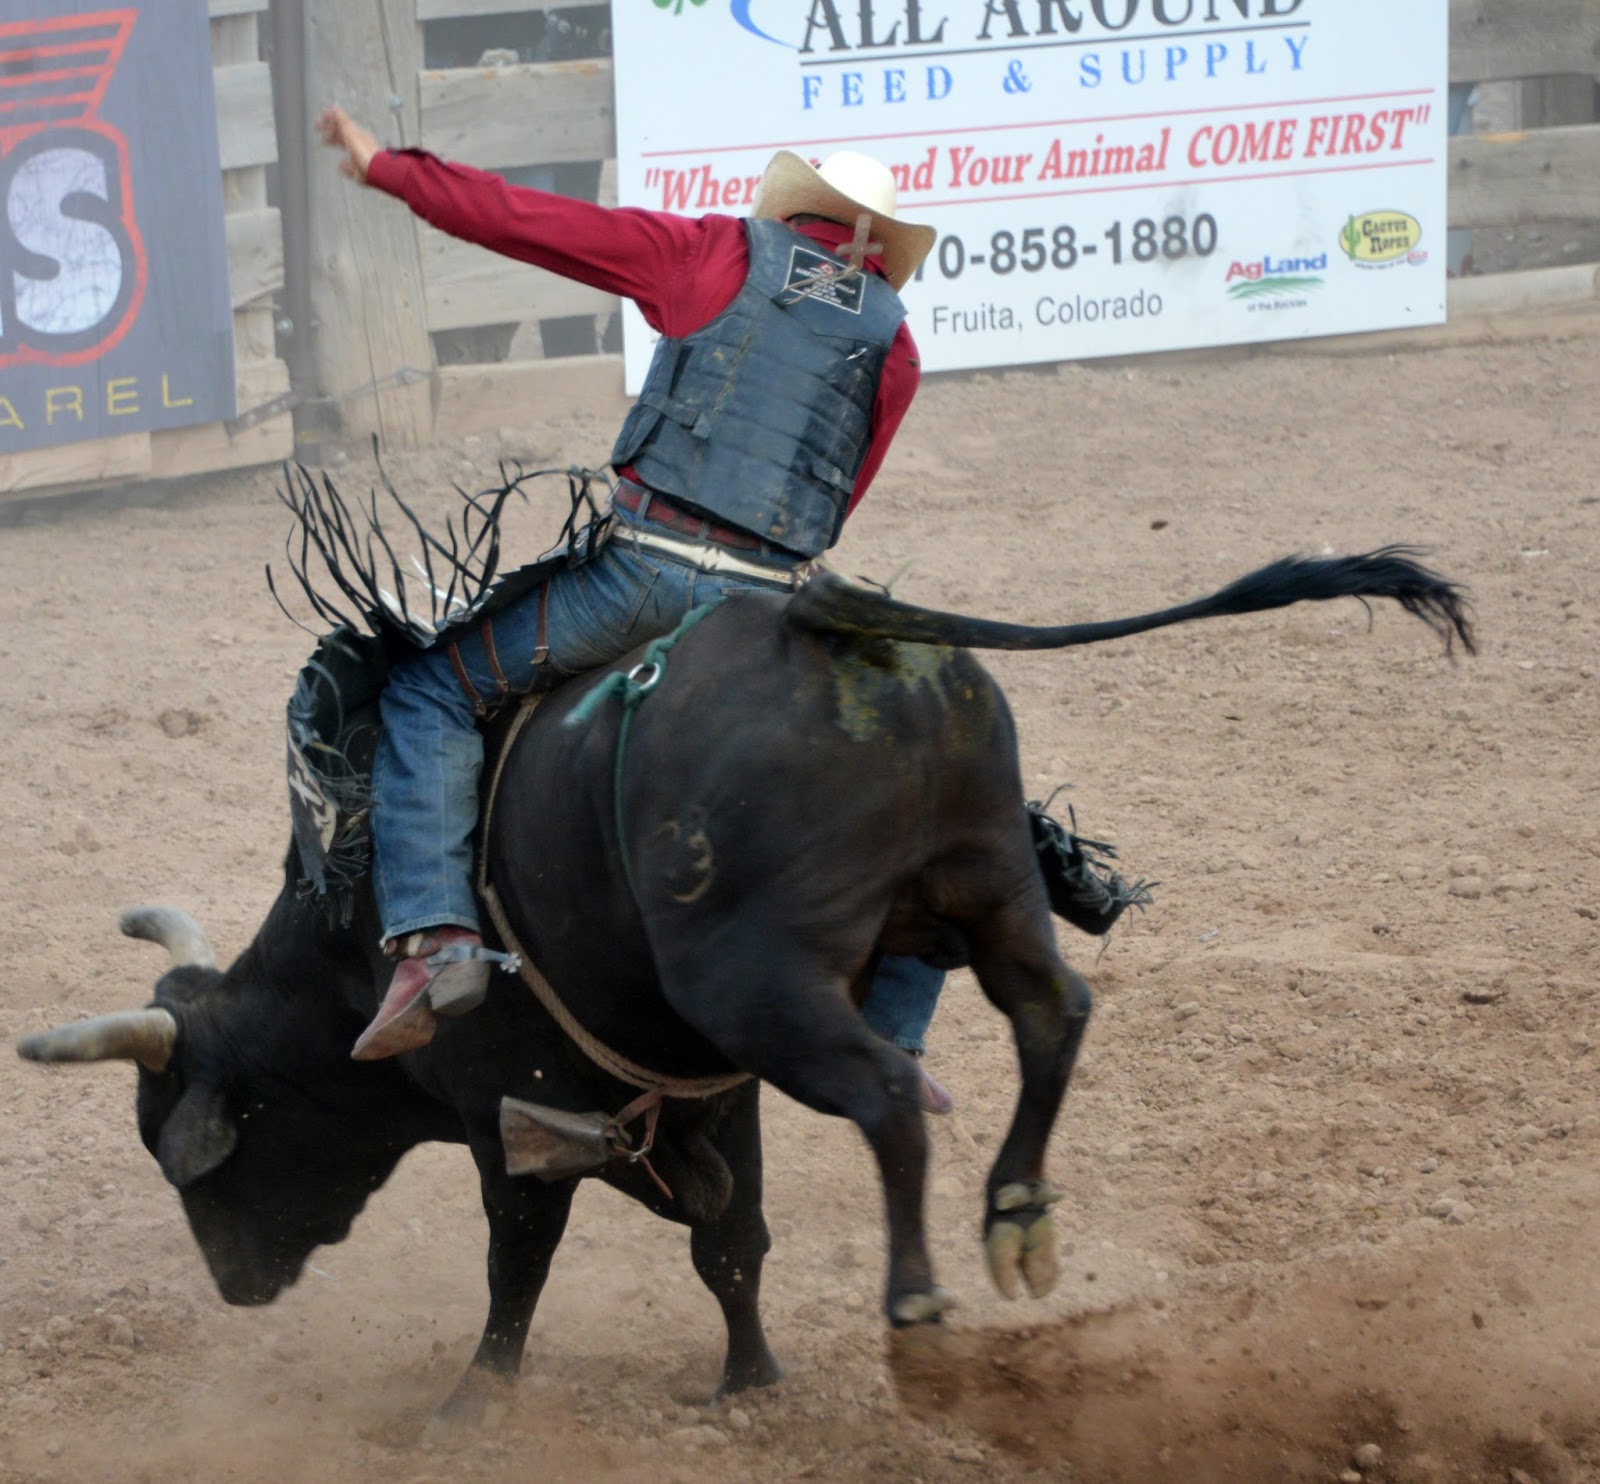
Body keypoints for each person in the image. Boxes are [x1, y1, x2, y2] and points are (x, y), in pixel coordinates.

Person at [316, 107, 955, 1108]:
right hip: (771, 611)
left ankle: (439, 940)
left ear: (801, 209)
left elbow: (533, 221)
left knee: (431, 692)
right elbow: (837, 498)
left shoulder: (711, 253)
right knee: (927, 767)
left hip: (642, 580)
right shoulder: (895, 343)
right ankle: (893, 1027)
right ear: (878, 249)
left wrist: (392, 169)